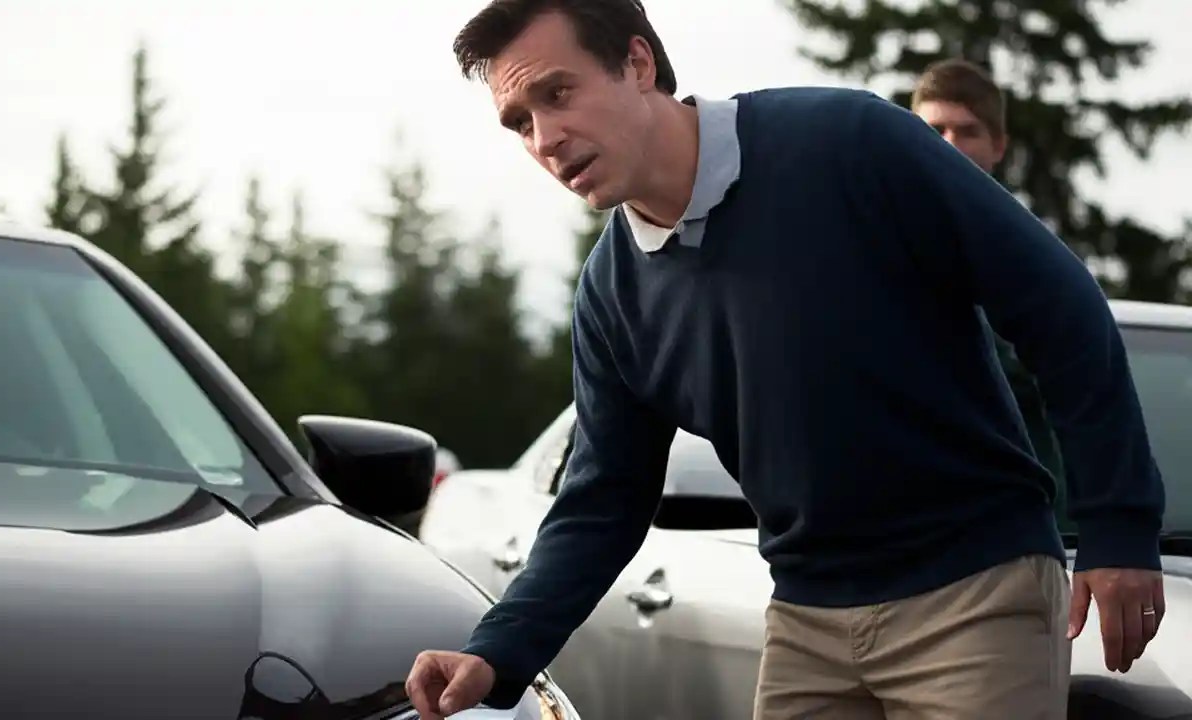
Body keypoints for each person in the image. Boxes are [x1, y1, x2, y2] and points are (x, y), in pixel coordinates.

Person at [406, 1, 1168, 718]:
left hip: (976, 594)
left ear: (637, 63)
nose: (544, 136)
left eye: (557, 92)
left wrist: (1119, 524)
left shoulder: (849, 141)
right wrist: (498, 650)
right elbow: (603, 499)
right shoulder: (610, 296)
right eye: (520, 121)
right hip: (806, 619)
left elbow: (1058, 304)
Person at [910, 58, 1066, 487]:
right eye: (935, 129)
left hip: (1017, 519)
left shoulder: (1037, 260)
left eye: (968, 130)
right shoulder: (873, 251)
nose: (949, 143)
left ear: (999, 146)